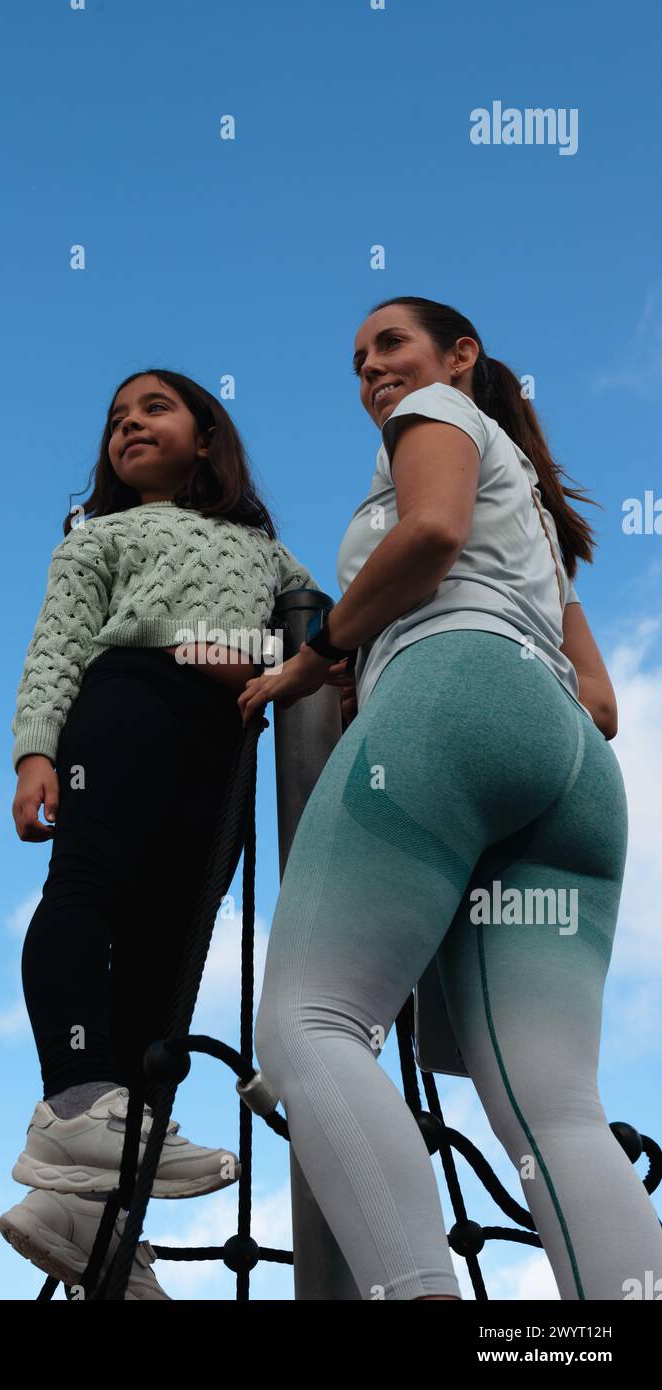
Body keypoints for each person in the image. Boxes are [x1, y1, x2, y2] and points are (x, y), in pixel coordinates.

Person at [239, 296, 662, 1301]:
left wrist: (326, 655)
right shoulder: (541, 532)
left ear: (456, 358)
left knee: (309, 1024)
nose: (370, 371)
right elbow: (597, 702)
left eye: (390, 345)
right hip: (567, 769)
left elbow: (427, 530)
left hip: (451, 695)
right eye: (355, 359)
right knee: (553, 1106)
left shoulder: (431, 416)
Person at [0, 369, 332, 1297]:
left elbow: (322, 644)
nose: (128, 426)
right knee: (88, 891)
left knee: (169, 960)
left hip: (218, 756)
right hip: (129, 706)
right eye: (114, 420)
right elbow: (63, 642)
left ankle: (104, 1220)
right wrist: (35, 753)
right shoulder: (100, 535)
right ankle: (73, 1100)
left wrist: (259, 662)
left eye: (153, 409)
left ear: (206, 437)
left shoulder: (270, 556)